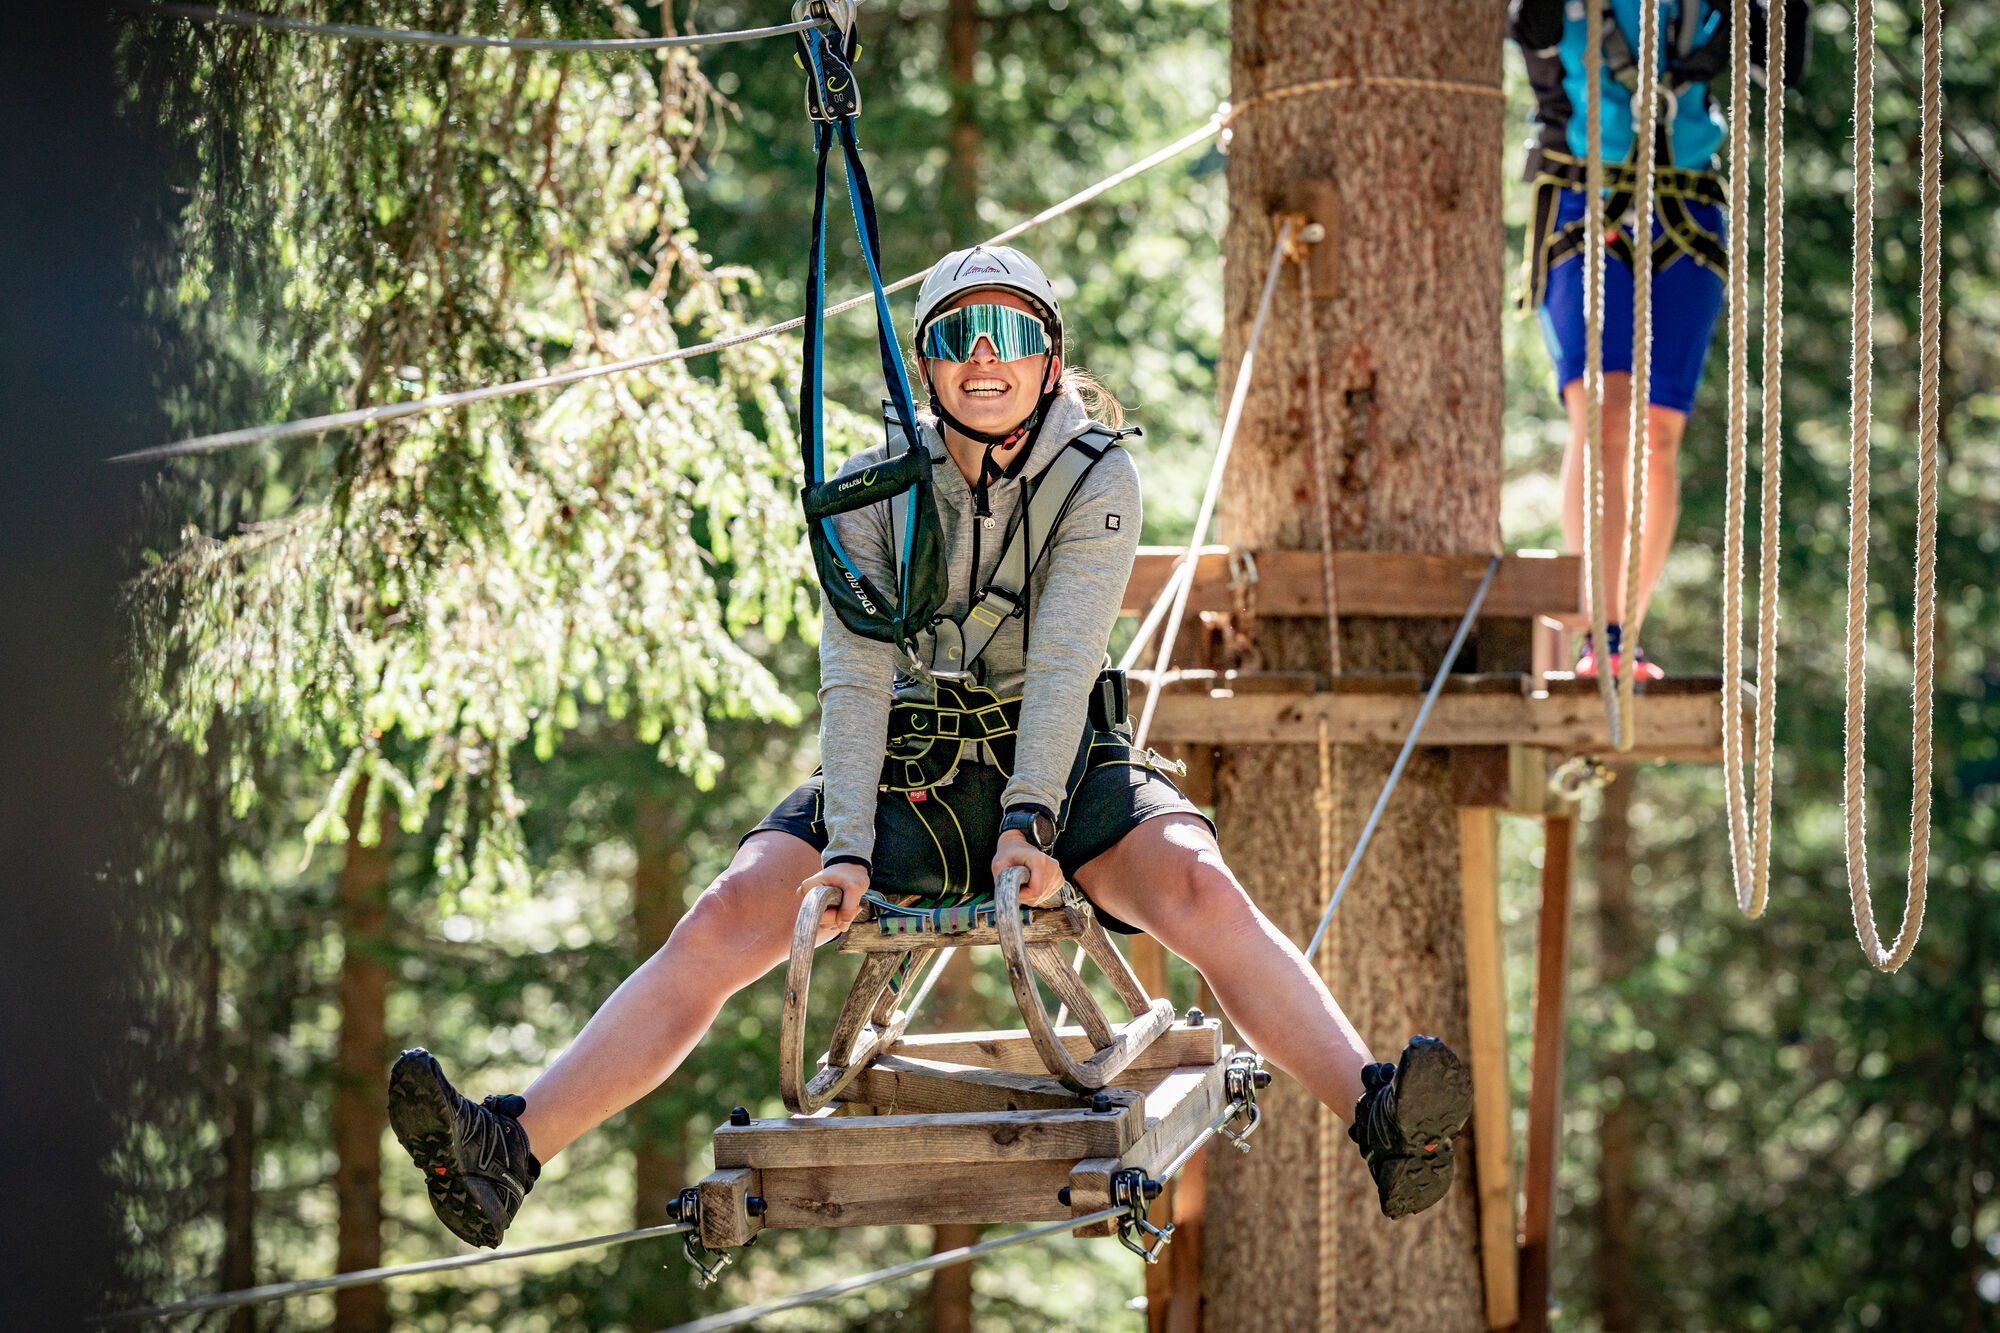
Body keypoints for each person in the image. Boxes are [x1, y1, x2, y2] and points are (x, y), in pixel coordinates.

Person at [385, 245, 1474, 1248]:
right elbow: (855, 674)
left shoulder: (1095, 475)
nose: (983, 357)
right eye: (958, 336)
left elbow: (1060, 663)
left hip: (1054, 768)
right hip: (909, 768)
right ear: (926, 364)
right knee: (726, 912)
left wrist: (1030, 820)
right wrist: (848, 843)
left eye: (1008, 332)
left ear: (1050, 360)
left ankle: (1378, 1113)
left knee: (1195, 886)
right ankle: (508, 1149)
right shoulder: (871, 492)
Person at [1511, 0, 1808, 677]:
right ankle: (1602, 634)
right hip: (1586, 194)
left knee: (1659, 435)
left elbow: (1780, 63)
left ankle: (1626, 632)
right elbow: (1531, 29)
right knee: (1604, 412)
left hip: (1687, 208)